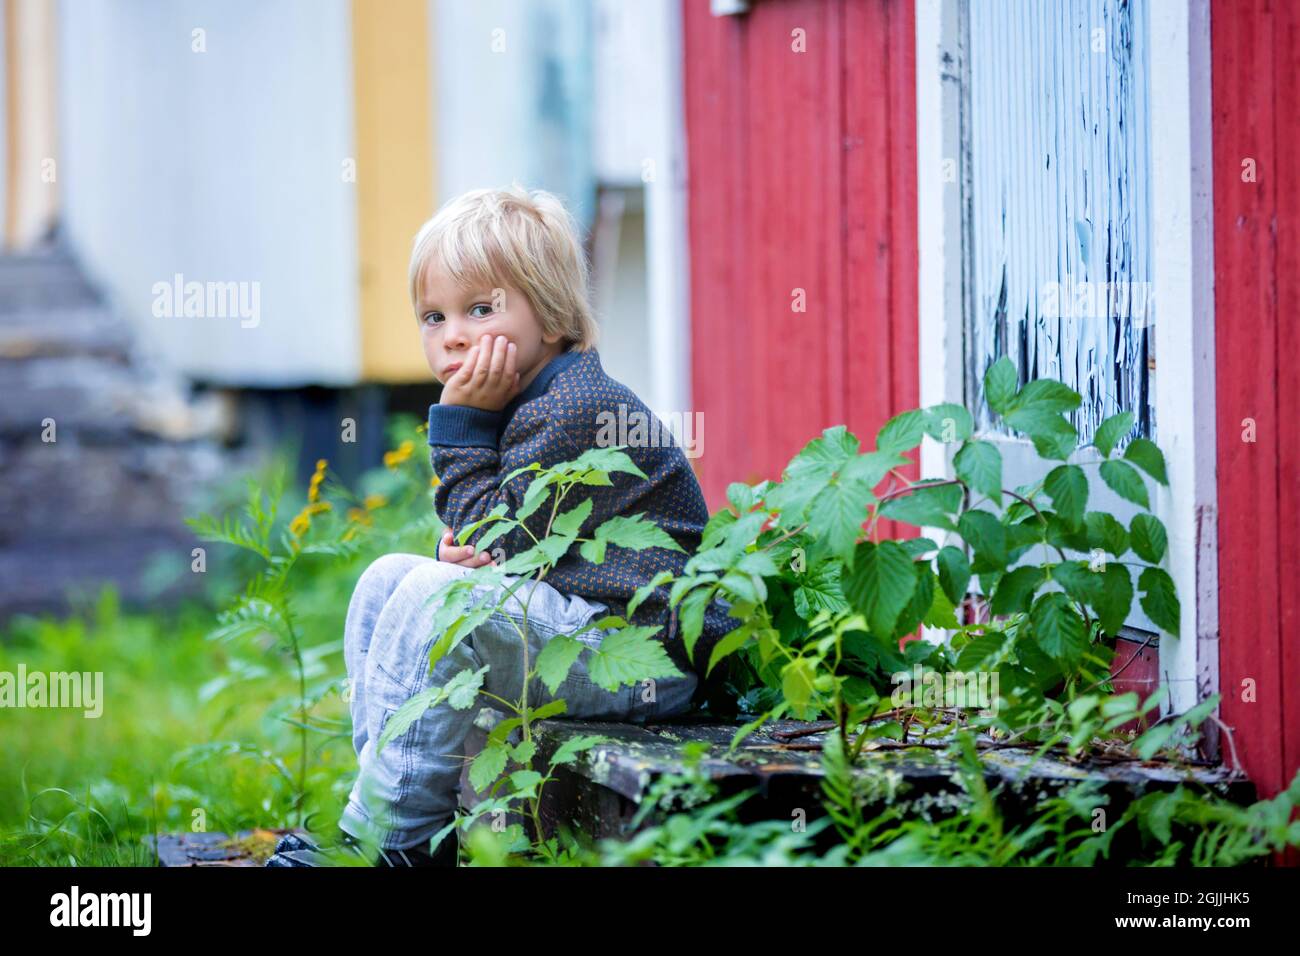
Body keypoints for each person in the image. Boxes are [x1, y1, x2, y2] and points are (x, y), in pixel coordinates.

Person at [266, 185, 736, 868]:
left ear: (549, 316)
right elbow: (502, 543)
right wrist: (457, 552)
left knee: (434, 597)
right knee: (388, 579)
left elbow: (501, 538)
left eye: (480, 309)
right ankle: (383, 818)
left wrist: (460, 426)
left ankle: (394, 847)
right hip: (579, 625)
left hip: (641, 659)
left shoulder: (574, 406)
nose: (452, 334)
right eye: (433, 316)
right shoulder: (529, 399)